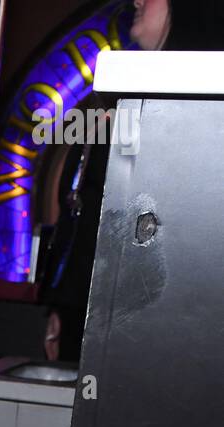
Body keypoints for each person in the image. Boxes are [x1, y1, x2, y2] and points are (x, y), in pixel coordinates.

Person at [42, 0, 224, 362]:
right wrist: (65, 305)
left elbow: (107, 217)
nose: (137, 1)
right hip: (106, 318)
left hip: (141, 332)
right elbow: (90, 211)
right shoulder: (132, 96)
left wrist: (69, 305)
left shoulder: (189, 111)